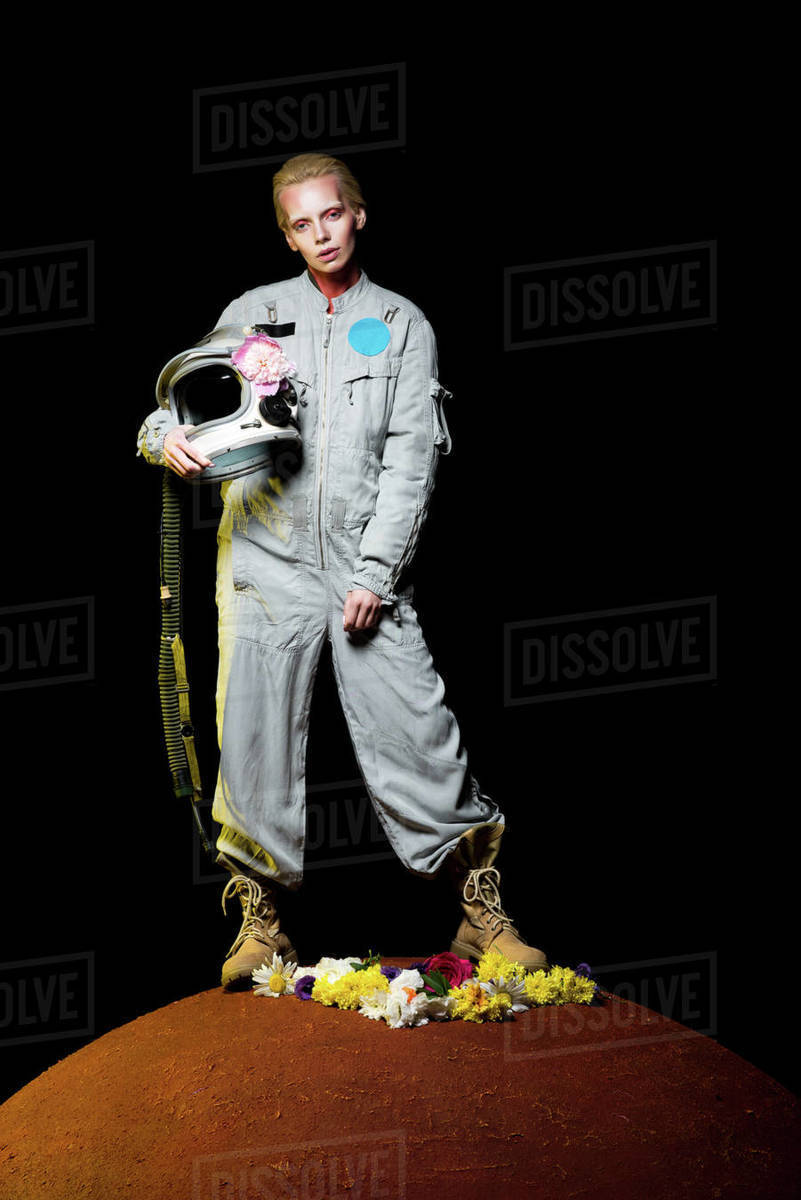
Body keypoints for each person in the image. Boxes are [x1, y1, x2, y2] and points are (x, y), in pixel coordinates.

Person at [136, 153, 548, 990]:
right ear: (285, 234)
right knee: (246, 735)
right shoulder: (254, 313)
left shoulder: (400, 324)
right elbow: (182, 399)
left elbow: (409, 461)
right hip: (261, 557)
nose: (318, 234)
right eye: (299, 223)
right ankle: (261, 925)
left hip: (362, 566)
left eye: (331, 215)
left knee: (417, 730)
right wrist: (159, 439)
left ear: (357, 217)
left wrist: (375, 574)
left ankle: (478, 907)